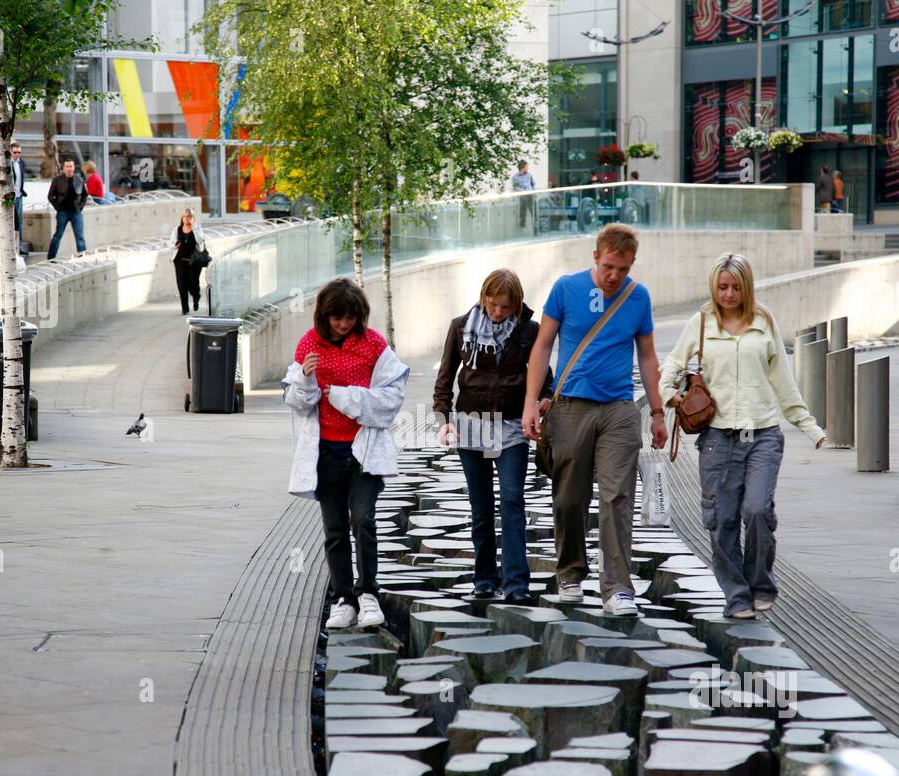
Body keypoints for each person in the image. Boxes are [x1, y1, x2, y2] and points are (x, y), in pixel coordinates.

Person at [660, 253, 826, 619]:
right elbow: (670, 366)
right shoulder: (701, 322)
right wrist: (669, 395)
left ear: (747, 287)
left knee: (757, 510)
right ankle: (736, 595)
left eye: (736, 287)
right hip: (718, 440)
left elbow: (783, 380)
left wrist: (809, 426)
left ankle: (761, 583)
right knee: (722, 521)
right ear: (713, 287)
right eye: (722, 287)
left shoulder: (763, 321)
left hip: (763, 435)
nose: (729, 294)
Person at [522, 224, 669, 618]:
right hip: (570, 407)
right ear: (595, 257)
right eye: (608, 266)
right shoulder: (566, 289)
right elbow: (542, 346)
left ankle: (618, 587)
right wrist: (531, 403)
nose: (614, 276)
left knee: (617, 496)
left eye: (622, 269)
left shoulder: (638, 298)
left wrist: (657, 412)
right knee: (569, 499)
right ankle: (569, 573)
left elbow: (649, 357)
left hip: (619, 409)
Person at [283, 279, 410, 630]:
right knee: (335, 528)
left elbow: (390, 401)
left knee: (364, 520)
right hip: (325, 453)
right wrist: (306, 379)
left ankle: (368, 592)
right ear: (325, 316)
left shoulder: (374, 346)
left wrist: (341, 395)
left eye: (350, 318)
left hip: (363, 453)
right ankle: (343, 598)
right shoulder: (309, 343)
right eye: (336, 318)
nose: (343, 324)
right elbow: (298, 403)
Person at [434, 269, 554, 602]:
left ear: (516, 304)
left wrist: (544, 400)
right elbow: (444, 379)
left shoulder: (530, 331)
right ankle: (484, 578)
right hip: (471, 426)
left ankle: (516, 582)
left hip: (512, 427)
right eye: (493, 304)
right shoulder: (460, 327)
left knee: (513, 500)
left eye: (505, 307)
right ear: (484, 296)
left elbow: (546, 378)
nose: (498, 312)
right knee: (481, 507)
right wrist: (444, 419)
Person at [46, 159, 87, 260]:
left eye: (71, 166)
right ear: (64, 168)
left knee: (80, 236)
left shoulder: (79, 179)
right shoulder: (57, 179)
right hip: (63, 212)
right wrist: (57, 207)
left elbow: (84, 195)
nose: (69, 169)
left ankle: (83, 256)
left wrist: (80, 207)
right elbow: (51, 196)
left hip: (76, 212)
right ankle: (51, 257)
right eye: (67, 166)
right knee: (58, 235)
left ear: (73, 168)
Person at [169, 207, 207, 315]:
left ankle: (196, 296)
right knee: (181, 284)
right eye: (184, 216)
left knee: (193, 283)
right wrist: (175, 246)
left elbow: (200, 240)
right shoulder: (176, 230)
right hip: (180, 261)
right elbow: (170, 244)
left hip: (194, 261)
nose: (186, 219)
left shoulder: (197, 228)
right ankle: (184, 308)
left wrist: (194, 227)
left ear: (193, 218)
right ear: (182, 218)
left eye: (189, 216)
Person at [10, 142, 27, 252]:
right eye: (15, 152)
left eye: (19, 152)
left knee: (19, 222)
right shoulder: (7, 164)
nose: (17, 155)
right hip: (10, 197)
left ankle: (19, 245)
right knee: (10, 221)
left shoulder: (21, 163)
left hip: (19, 196)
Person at [512, 160, 536, 231]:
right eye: (526, 167)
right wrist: (523, 191)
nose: (527, 168)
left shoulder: (529, 175)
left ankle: (536, 226)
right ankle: (522, 224)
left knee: (534, 210)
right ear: (522, 167)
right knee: (523, 209)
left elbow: (533, 184)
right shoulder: (515, 177)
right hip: (522, 196)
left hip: (530, 195)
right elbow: (515, 187)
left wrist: (533, 191)